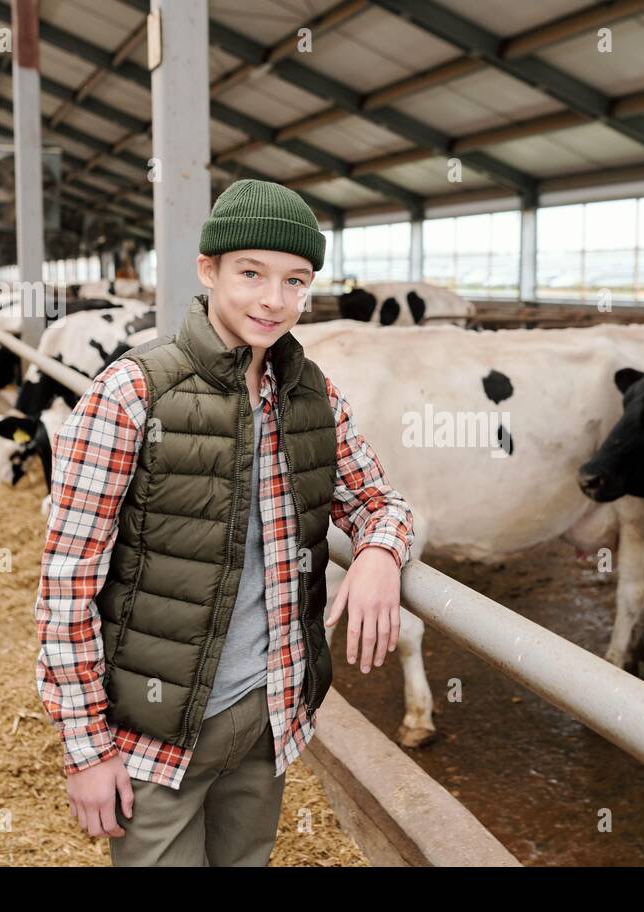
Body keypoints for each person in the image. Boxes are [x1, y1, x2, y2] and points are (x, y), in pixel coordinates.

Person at [34, 179, 415, 866]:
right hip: (155, 735)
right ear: (207, 270)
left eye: (295, 280)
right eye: (251, 273)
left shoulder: (312, 395)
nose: (274, 300)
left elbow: (381, 503)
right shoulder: (131, 394)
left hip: (266, 721)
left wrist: (379, 553)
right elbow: (67, 587)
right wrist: (86, 750)